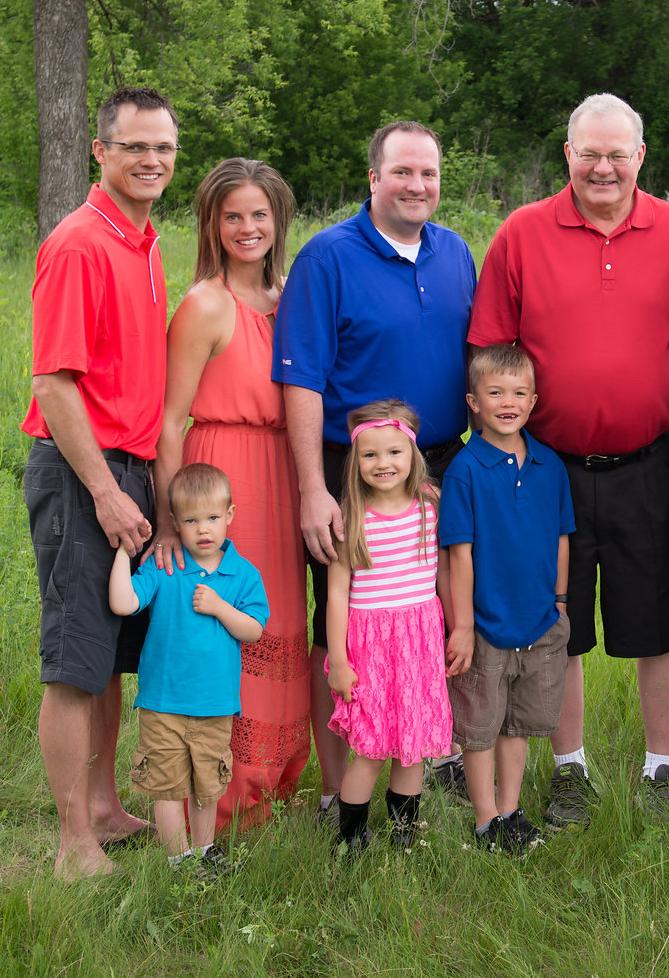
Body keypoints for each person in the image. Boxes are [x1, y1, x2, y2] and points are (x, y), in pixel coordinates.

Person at [468, 93, 669, 827]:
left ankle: (661, 770)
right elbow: (490, 349)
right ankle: (568, 769)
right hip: (546, 467)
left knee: (661, 623)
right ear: (567, 153)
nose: (602, 167)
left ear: (642, 155)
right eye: (588, 153)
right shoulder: (522, 232)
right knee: (555, 624)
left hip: (649, 461)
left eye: (617, 154)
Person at [272, 121, 477, 823]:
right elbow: (300, 380)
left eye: (429, 173)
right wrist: (313, 489)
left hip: (442, 459)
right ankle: (340, 786)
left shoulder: (454, 253)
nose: (418, 186)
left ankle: (426, 750)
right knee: (347, 626)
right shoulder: (328, 257)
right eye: (403, 173)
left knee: (440, 606)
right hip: (352, 468)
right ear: (373, 178)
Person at [21, 86, 178, 878]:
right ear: (101, 151)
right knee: (74, 660)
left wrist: (141, 482)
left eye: (164, 149)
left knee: (113, 653)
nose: (152, 161)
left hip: (130, 472)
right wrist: (108, 493)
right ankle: (72, 843)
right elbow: (55, 385)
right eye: (136, 147)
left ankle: (108, 810)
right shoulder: (81, 243)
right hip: (86, 473)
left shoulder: (144, 240)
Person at [151, 158, 308, 834]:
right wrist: (167, 522)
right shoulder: (206, 303)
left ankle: (273, 783)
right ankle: (216, 795)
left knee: (274, 622)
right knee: (218, 631)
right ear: (213, 224)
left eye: (259, 215)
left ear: (279, 220)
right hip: (221, 474)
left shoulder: (291, 296)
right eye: (233, 215)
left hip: (282, 473)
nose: (248, 228)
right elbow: (168, 421)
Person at [440, 344, 576, 851]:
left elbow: (562, 536)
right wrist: (462, 626)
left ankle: (510, 809)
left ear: (534, 400)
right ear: (473, 401)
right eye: (495, 392)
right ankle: (484, 821)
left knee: (518, 722)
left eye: (519, 393)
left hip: (538, 618)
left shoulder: (550, 465)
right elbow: (460, 553)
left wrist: (559, 602)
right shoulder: (465, 470)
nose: (508, 402)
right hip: (485, 625)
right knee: (479, 725)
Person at [108, 464, 268, 876]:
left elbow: (253, 629)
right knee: (166, 784)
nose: (203, 530)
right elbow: (124, 604)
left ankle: (204, 851)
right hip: (163, 701)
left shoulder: (242, 574)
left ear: (230, 515)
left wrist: (218, 606)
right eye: (192, 520)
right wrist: (124, 556)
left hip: (215, 704)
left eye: (213, 518)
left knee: (206, 784)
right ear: (175, 523)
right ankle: (178, 861)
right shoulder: (166, 567)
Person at [325, 401, 468, 853]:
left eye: (393, 453)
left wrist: (455, 627)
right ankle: (351, 840)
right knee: (370, 749)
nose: (383, 464)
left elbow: (443, 573)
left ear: (412, 455)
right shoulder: (351, 517)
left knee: (414, 744)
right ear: (355, 461)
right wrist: (339, 662)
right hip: (369, 647)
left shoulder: (431, 506)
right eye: (370, 455)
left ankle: (405, 835)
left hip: (420, 640)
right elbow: (335, 596)